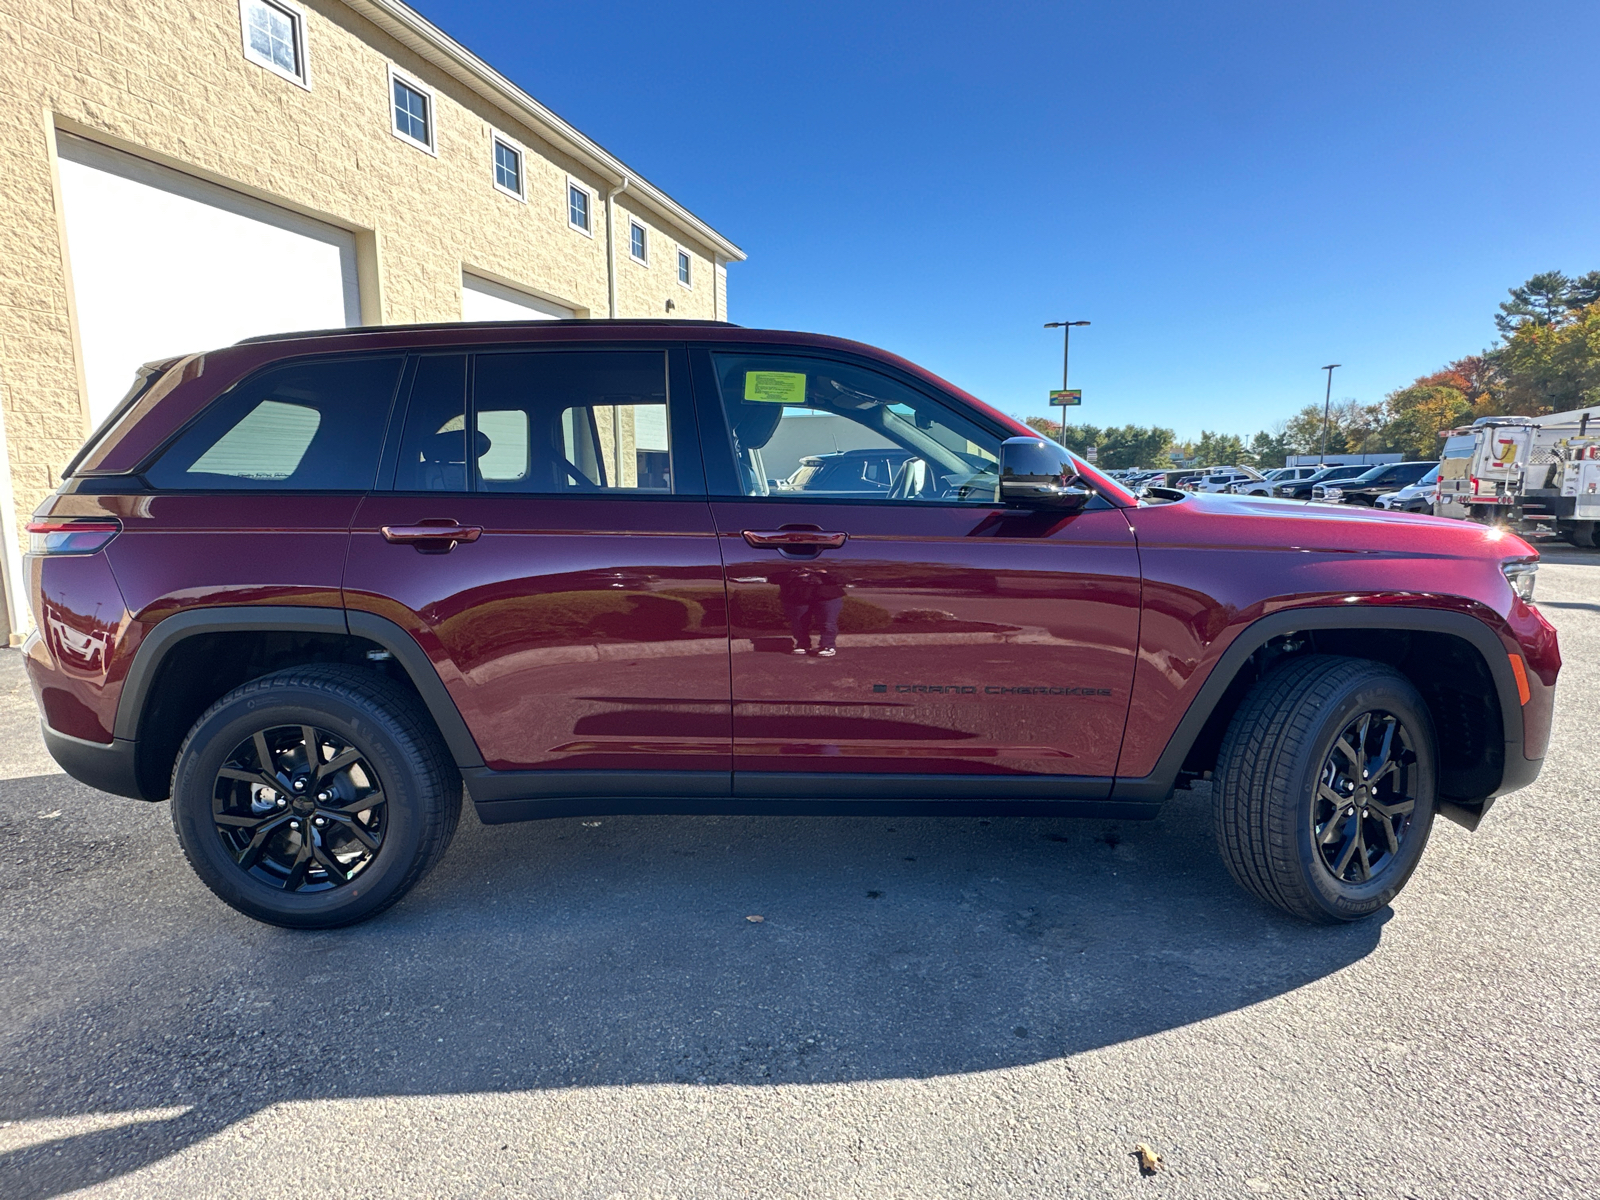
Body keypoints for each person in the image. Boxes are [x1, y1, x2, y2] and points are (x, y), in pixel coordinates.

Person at [776, 562, 846, 657]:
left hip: (828, 596)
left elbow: (841, 579)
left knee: (828, 622)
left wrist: (822, 573)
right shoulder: (787, 564)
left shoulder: (832, 564)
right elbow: (775, 578)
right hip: (799, 596)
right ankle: (803, 644)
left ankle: (827, 646)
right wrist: (795, 574)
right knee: (799, 623)